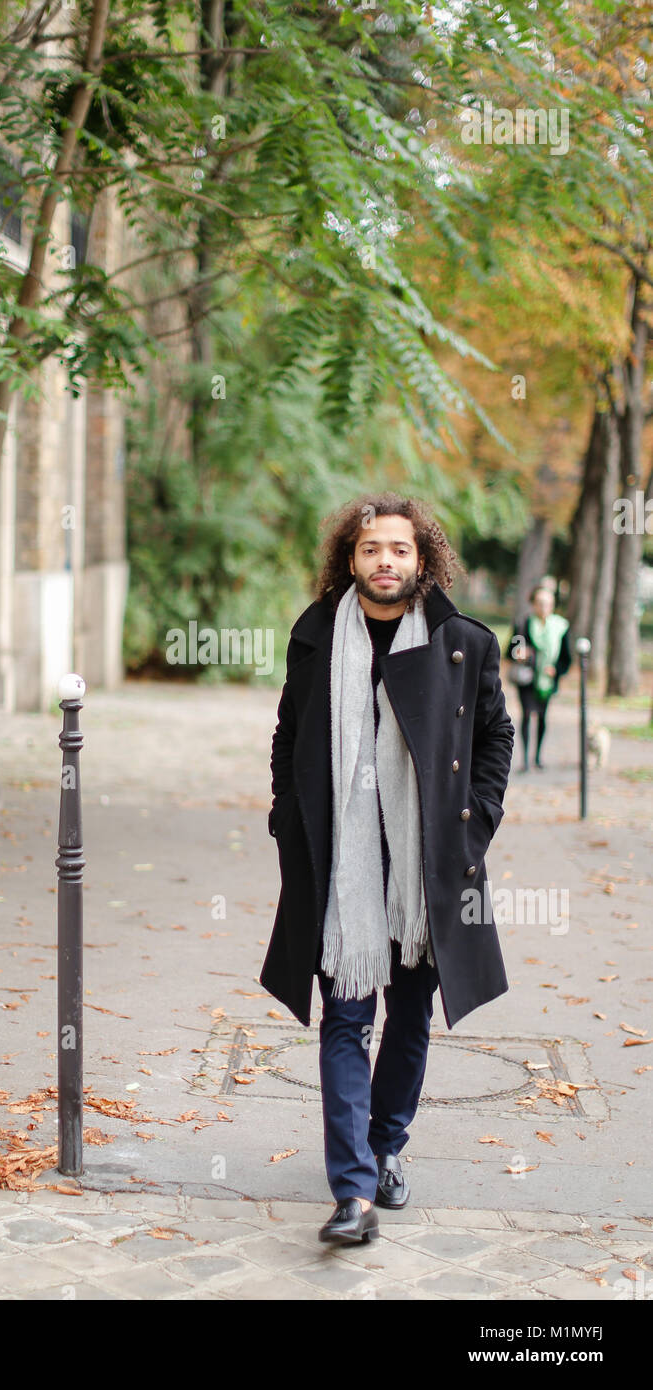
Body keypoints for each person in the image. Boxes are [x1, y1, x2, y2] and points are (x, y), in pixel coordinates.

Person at [261, 492, 514, 1245]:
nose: (385, 561)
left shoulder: (460, 642)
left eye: (399, 549)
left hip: (424, 868)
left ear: (422, 558)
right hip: (340, 861)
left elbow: (496, 740)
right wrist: (286, 818)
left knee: (408, 1014)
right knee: (345, 1017)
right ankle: (353, 1192)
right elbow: (288, 734)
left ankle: (386, 1144)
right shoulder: (315, 639)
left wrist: (477, 830)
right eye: (372, 549)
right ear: (350, 560)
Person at [506, 584, 572, 771]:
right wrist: (520, 653)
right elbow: (510, 651)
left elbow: (567, 658)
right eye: (540, 603)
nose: (544, 608)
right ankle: (526, 758)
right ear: (533, 604)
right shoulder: (524, 625)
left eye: (547, 604)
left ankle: (537, 756)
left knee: (542, 717)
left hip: (547, 681)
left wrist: (556, 670)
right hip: (527, 679)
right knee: (527, 715)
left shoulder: (560, 627)